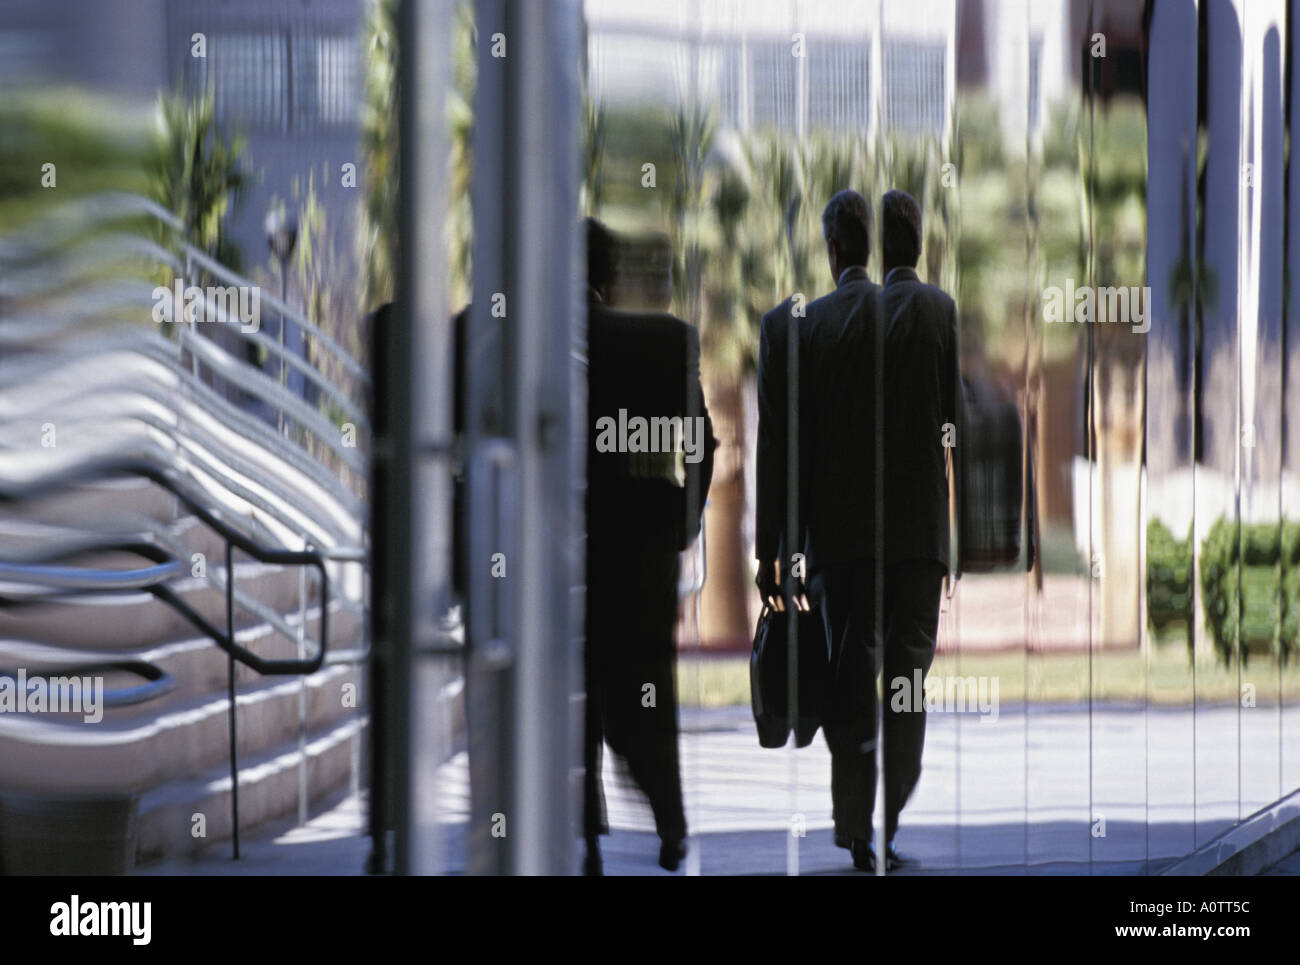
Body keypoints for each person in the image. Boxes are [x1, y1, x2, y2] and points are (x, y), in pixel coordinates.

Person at [755, 189, 887, 872]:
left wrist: (774, 551)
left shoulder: (804, 326)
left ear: (833, 249)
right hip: (898, 534)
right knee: (874, 672)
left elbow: (783, 450)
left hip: (834, 537)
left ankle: (858, 824)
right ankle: (867, 822)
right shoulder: (902, 315)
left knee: (850, 671)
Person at [583, 217, 715, 875]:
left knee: (579, 691)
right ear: (611, 276)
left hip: (571, 551)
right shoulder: (667, 340)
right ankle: (670, 819)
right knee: (647, 690)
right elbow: (701, 443)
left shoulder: (542, 341)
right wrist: (684, 523)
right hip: (645, 548)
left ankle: (585, 831)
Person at [878, 188, 963, 867]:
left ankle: (860, 806)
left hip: (857, 533)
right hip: (921, 532)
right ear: (920, 244)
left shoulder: (848, 314)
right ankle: (892, 807)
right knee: (909, 674)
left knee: (857, 669)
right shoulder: (941, 311)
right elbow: (953, 428)